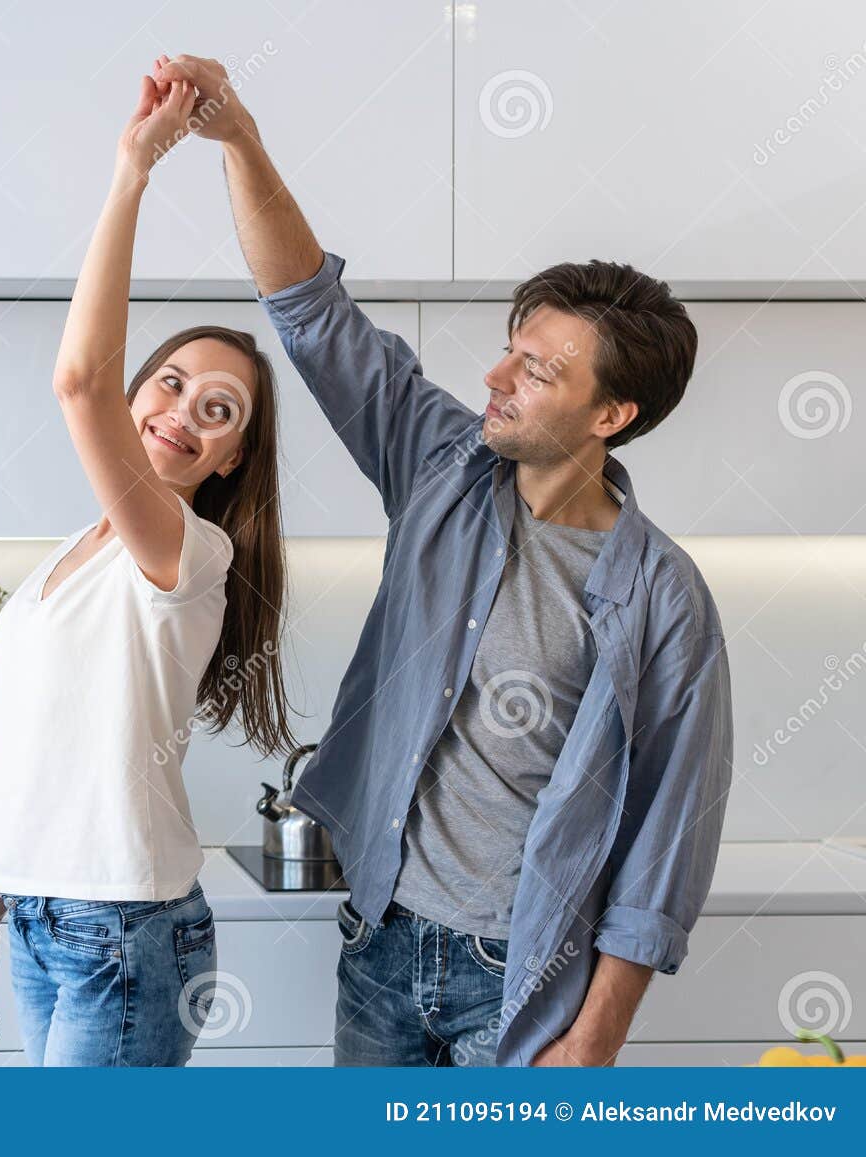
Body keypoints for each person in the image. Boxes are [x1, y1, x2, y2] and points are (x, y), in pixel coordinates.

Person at [154, 52, 734, 1066]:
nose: (496, 376)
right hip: (378, 943)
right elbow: (311, 312)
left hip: (521, 983)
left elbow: (668, 837)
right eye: (511, 345)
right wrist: (239, 139)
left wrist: (593, 1037)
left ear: (610, 413)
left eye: (537, 370)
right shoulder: (439, 466)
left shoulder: (662, 597)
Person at [0, 72, 297, 1066]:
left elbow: (76, 380)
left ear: (230, 458)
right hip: (40, 918)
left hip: (128, 930)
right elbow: (27, 747)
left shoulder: (187, 549)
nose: (182, 413)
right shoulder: (74, 551)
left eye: (218, 409)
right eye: (171, 383)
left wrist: (132, 172)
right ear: (142, 389)